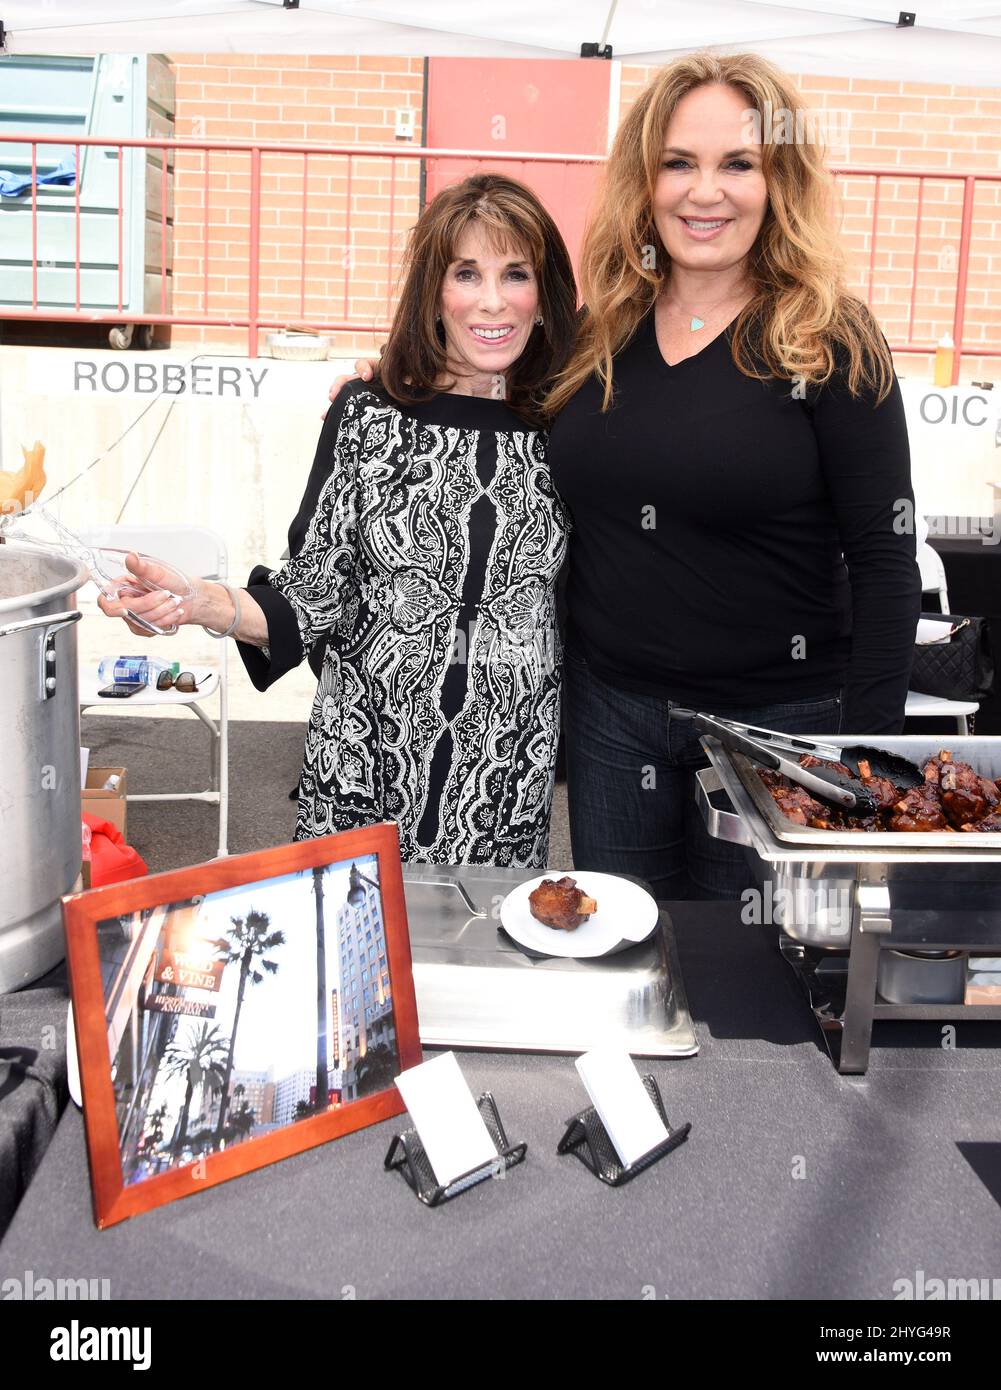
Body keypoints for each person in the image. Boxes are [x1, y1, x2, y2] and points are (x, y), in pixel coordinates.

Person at [335, 52, 920, 900]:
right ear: (644, 183)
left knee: (754, 991)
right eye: (677, 163)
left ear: (778, 180)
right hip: (612, 719)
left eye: (738, 164)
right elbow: (485, 386)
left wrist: (861, 760)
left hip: (776, 731)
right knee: (624, 954)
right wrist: (387, 392)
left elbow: (885, 560)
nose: (703, 191)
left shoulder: (830, 339)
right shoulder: (599, 331)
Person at [99, 174, 579, 866]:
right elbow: (312, 598)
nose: (491, 301)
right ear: (433, 294)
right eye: (466, 274)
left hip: (502, 778)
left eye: (516, 274)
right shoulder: (367, 414)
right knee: (351, 964)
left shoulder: (570, 424)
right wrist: (201, 599)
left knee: (481, 962)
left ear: (544, 295)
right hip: (362, 766)